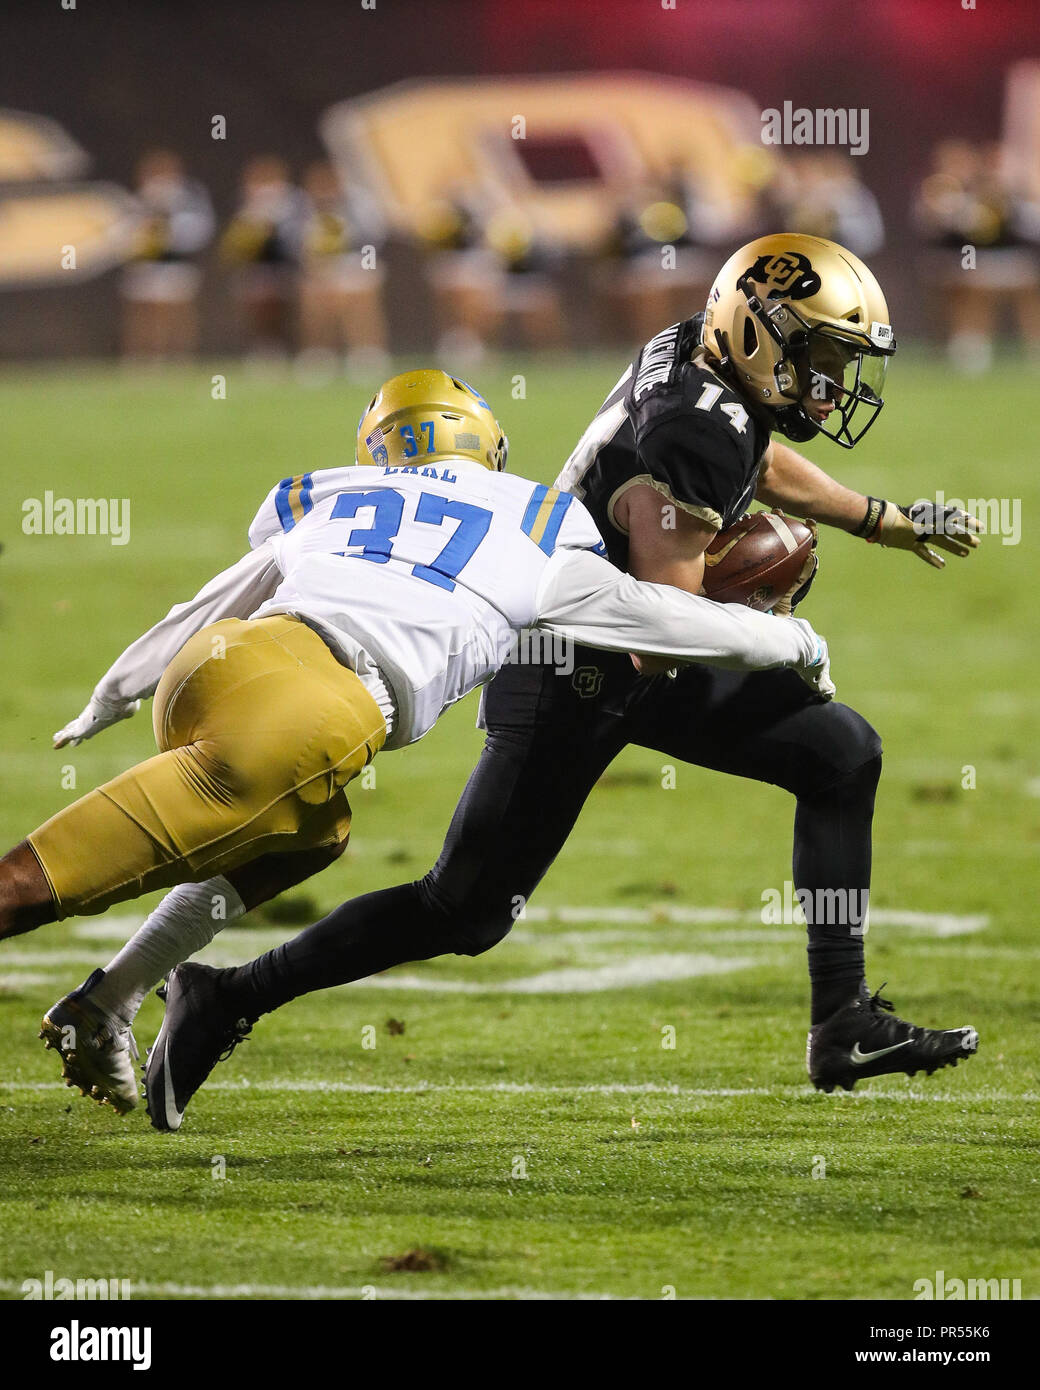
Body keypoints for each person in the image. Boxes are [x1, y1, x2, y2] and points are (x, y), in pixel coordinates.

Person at [142, 233, 981, 1129]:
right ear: (758, 335)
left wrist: (875, 519)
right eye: (817, 356)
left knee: (841, 755)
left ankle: (843, 1021)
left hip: (606, 638)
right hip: (574, 668)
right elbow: (665, 636)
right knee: (460, 910)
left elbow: (756, 455)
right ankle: (224, 995)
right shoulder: (693, 430)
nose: (828, 381)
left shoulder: (707, 349)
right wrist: (762, 613)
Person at [0, 370, 832, 1127]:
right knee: (27, 888)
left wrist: (110, 697)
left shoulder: (336, 495)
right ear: (485, 444)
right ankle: (107, 1003)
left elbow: (222, 595)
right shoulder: (540, 519)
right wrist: (796, 643)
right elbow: (668, 620)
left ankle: (106, 1002)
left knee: (312, 835)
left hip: (218, 669)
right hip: (305, 716)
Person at [120, 150, 215, 361]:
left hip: (177, 264)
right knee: (144, 314)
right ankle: (144, 358)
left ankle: (179, 357)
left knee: (177, 312)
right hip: (146, 266)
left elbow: (200, 231)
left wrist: (166, 229)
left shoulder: (189, 199)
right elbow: (125, 234)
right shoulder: (138, 201)